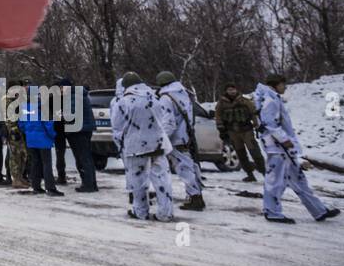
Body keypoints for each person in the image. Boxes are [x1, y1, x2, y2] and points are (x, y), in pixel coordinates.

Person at [252, 74, 339, 224]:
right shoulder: (270, 100)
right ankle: (272, 212)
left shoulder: (272, 97)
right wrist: (284, 140)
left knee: (299, 180)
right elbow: (269, 124)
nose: (285, 87)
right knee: (275, 181)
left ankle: (319, 211)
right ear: (276, 84)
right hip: (277, 148)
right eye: (283, 84)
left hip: (282, 148)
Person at [111, 72, 174, 222]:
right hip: (158, 143)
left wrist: (121, 143)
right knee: (162, 179)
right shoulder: (155, 97)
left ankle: (141, 212)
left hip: (135, 146)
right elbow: (163, 118)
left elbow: (117, 126)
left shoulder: (123, 102)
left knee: (138, 182)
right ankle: (166, 212)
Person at [155, 71, 205, 211]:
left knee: (184, 169)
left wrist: (161, 140)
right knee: (191, 166)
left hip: (176, 139)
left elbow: (169, 123)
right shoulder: (183, 94)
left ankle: (195, 198)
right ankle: (197, 196)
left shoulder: (166, 98)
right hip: (186, 136)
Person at [214, 83, 266, 182]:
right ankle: (250, 174)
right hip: (232, 132)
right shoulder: (221, 104)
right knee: (241, 154)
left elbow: (253, 113)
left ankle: (264, 173)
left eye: (233, 89)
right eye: (229, 90)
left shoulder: (245, 101)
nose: (231, 92)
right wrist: (221, 130)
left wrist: (257, 125)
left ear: (237, 90)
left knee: (255, 152)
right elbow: (218, 117)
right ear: (226, 91)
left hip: (246, 130)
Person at [20, 88, 63, 195]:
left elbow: (21, 125)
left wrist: (28, 133)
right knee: (46, 163)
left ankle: (36, 186)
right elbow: (48, 124)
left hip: (31, 140)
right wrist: (53, 135)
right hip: (43, 139)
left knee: (35, 163)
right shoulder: (42, 107)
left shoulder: (25, 108)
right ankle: (50, 187)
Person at [60, 76, 99, 192]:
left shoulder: (73, 96)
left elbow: (70, 114)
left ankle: (88, 184)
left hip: (79, 131)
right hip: (84, 129)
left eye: (61, 88)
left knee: (82, 158)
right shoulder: (78, 94)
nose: (60, 91)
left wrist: (59, 115)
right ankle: (92, 183)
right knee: (86, 157)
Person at [4, 78, 31, 189]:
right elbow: (9, 118)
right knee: (15, 156)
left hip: (19, 129)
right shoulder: (8, 100)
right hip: (13, 131)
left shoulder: (15, 99)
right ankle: (16, 178)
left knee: (22, 155)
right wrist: (14, 129)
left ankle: (20, 177)